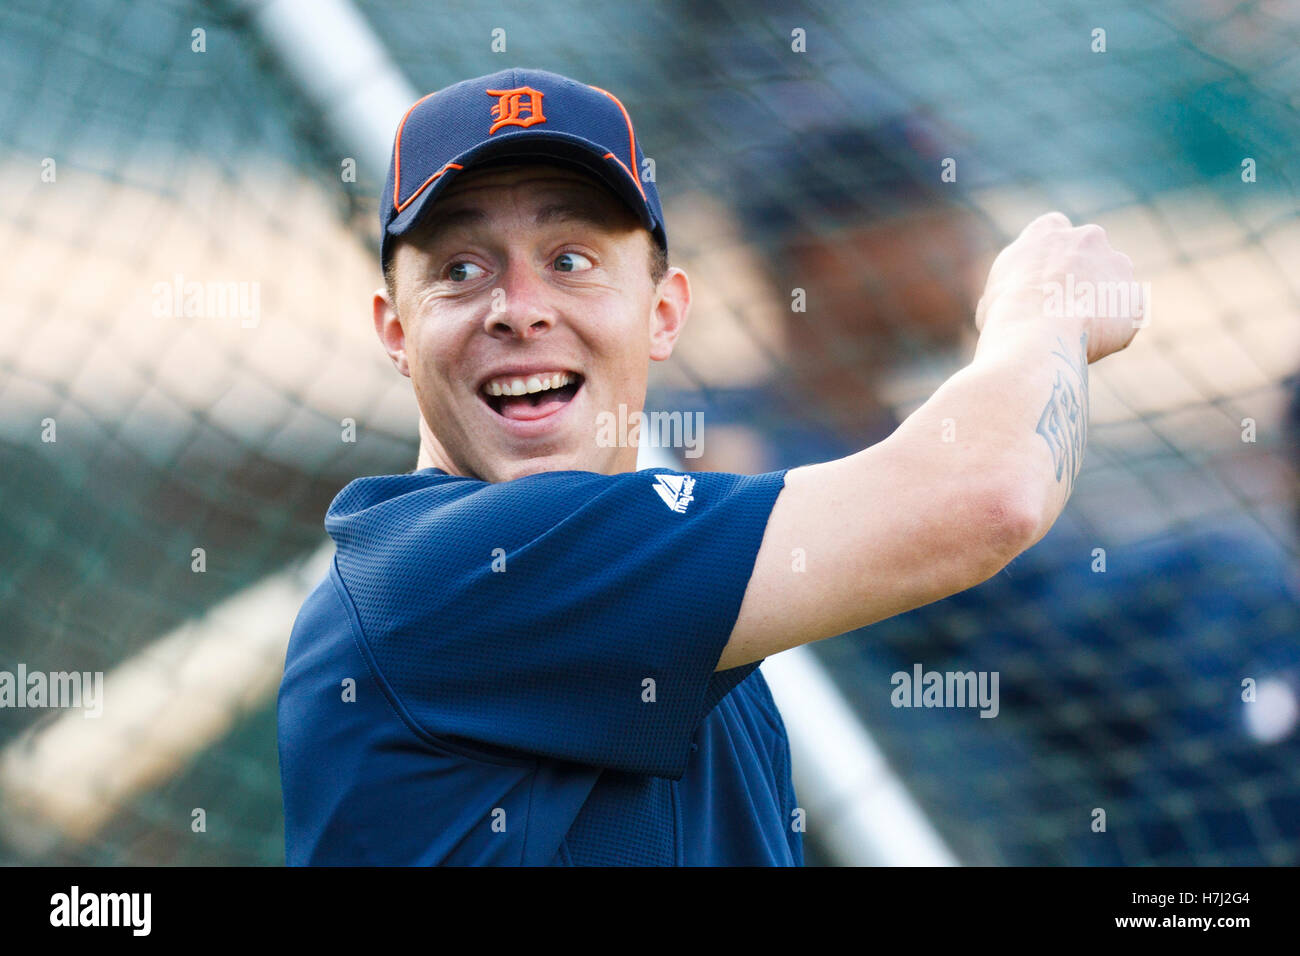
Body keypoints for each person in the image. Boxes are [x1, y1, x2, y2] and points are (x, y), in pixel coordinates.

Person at [276, 67, 1142, 866]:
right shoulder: (439, 568)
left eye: (570, 260)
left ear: (663, 313)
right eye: (461, 270)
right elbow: (984, 496)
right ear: (397, 332)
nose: (521, 310)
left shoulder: (710, 656)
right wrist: (1044, 313)